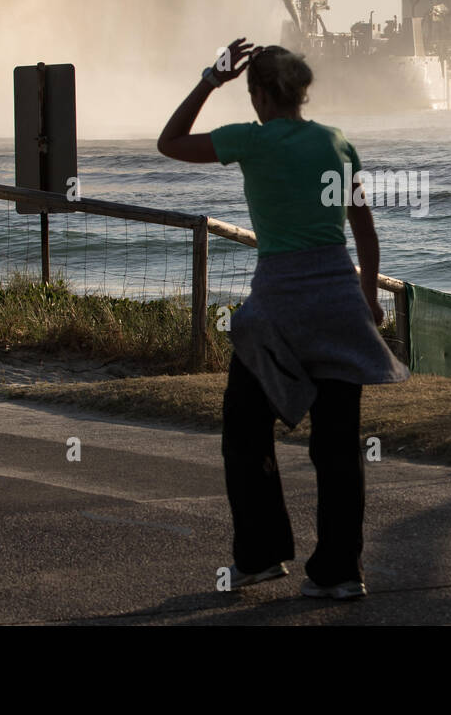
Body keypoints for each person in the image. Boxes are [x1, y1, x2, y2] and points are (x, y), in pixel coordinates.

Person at [157, 37, 409, 600]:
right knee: (339, 446)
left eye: (249, 92)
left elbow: (169, 142)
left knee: (245, 432)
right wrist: (367, 296)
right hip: (339, 304)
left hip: (278, 308)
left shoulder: (252, 140)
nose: (249, 102)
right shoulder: (335, 141)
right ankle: (341, 571)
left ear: (264, 93)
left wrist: (209, 78)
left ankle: (261, 555)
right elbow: (364, 230)